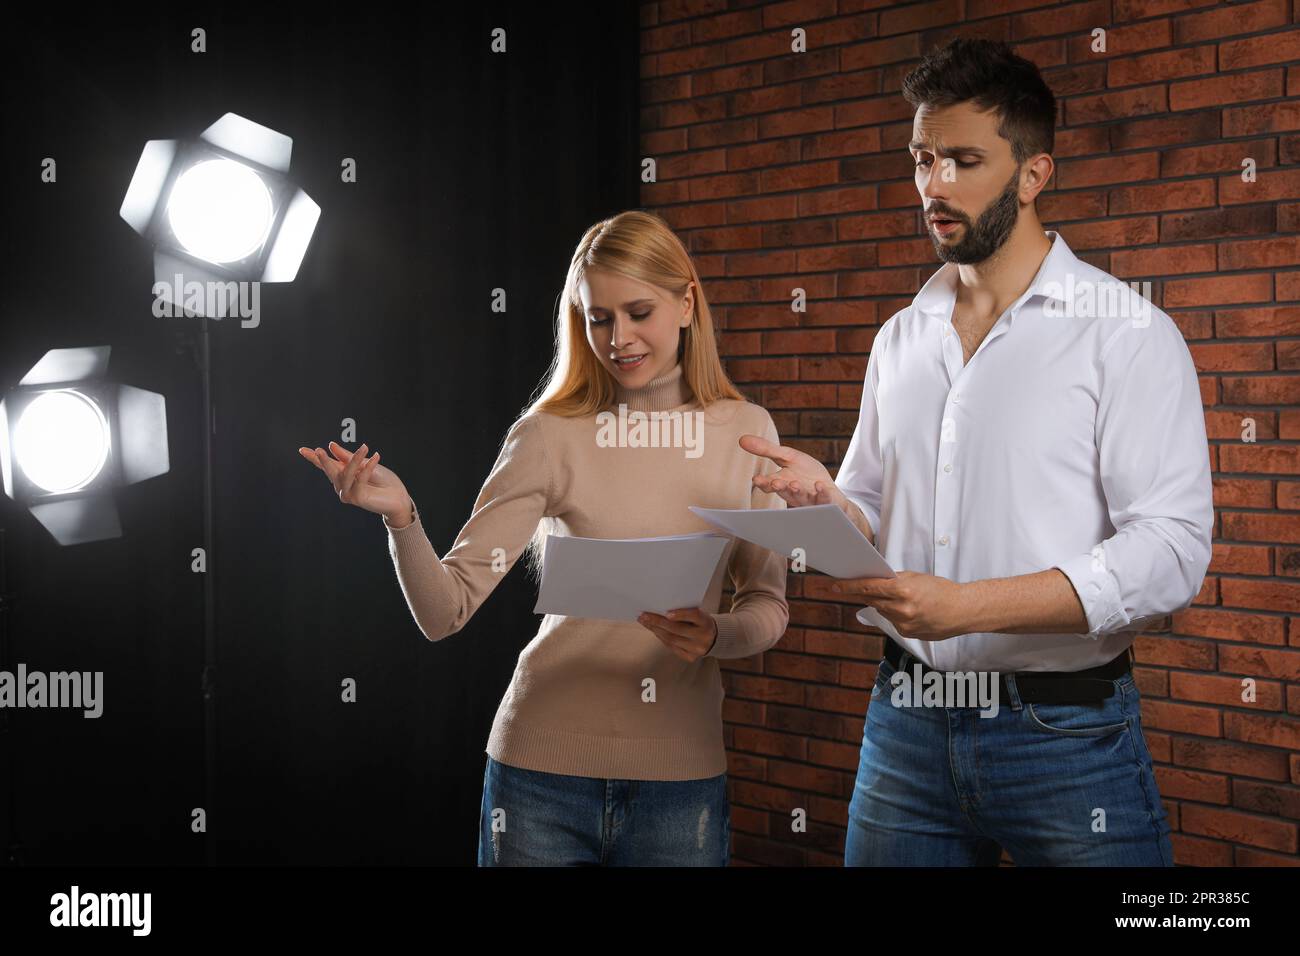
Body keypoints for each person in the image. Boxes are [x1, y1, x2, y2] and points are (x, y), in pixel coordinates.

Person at [740, 37, 1213, 866]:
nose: (935, 186)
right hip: (905, 722)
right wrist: (829, 506)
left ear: (1034, 174)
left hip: (1062, 734)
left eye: (963, 159)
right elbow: (874, 514)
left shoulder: (1127, 333)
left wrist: (968, 607)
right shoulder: (900, 339)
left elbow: (1171, 552)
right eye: (923, 159)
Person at [299, 210, 789, 866]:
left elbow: (768, 605)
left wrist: (716, 634)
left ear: (685, 303)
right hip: (539, 778)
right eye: (599, 317)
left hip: (682, 783)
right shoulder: (549, 435)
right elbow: (444, 614)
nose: (620, 338)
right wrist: (401, 516)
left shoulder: (747, 432)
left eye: (639, 311)